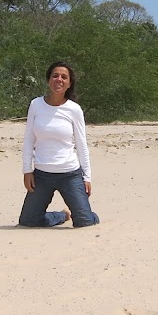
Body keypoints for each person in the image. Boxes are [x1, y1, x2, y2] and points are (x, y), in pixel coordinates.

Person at [18, 61, 99, 228]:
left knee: (84, 222)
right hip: (41, 175)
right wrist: (27, 170)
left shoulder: (74, 109)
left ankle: (86, 212)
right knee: (28, 221)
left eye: (64, 77)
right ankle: (61, 215)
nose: (59, 80)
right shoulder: (36, 104)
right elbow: (28, 139)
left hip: (70, 174)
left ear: (69, 83)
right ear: (49, 80)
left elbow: (81, 144)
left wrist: (87, 177)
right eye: (55, 76)